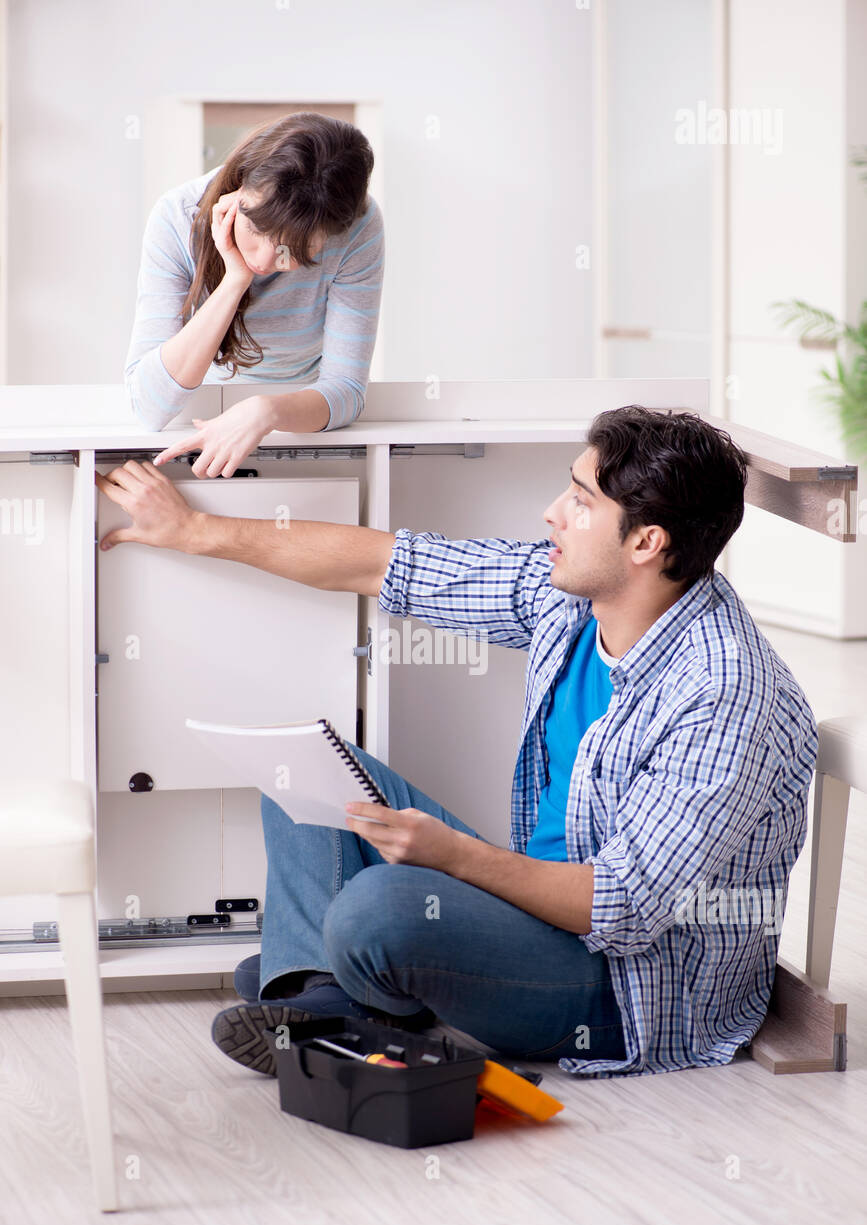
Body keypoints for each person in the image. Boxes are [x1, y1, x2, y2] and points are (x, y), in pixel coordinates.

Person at [94, 405, 818, 1079]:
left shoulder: (724, 693)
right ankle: (329, 993)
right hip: (537, 912)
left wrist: (455, 857)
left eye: (579, 501)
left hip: (625, 989)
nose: (551, 513)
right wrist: (193, 531)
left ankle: (331, 981)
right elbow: (385, 566)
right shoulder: (569, 595)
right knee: (303, 776)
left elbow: (625, 908)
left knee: (378, 910)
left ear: (645, 542)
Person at [123, 112, 383, 477]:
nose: (262, 259)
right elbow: (149, 407)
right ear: (239, 187)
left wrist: (266, 411)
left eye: (295, 249)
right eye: (254, 227)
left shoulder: (359, 228)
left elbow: (347, 389)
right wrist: (234, 281)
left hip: (300, 430)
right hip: (195, 425)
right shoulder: (177, 217)